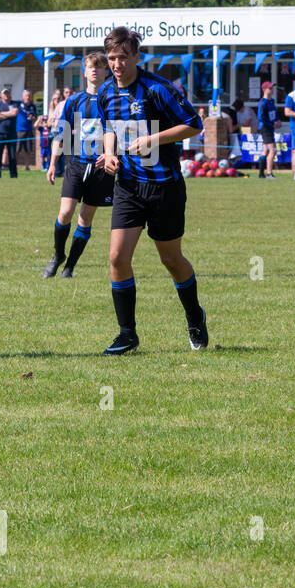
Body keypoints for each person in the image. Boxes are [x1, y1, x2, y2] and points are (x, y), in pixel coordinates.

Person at [98, 26, 206, 355]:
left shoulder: (158, 89)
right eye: (111, 58)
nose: (116, 64)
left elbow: (194, 124)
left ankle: (194, 316)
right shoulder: (105, 94)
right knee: (117, 257)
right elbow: (108, 130)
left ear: (137, 57)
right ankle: (127, 334)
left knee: (171, 259)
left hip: (164, 188)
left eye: (122, 57)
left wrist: (152, 140)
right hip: (128, 187)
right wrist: (110, 153)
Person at [42, 52, 112, 279]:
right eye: (91, 66)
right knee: (65, 213)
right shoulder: (74, 101)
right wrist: (52, 164)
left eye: (99, 67)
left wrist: (112, 156)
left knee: (85, 218)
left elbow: (123, 133)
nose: (95, 70)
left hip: (102, 169)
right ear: (84, 71)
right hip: (76, 164)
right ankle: (57, 255)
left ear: (106, 72)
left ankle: (70, 266)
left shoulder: (113, 100)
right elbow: (60, 135)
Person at [0, 88, 20, 178]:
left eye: (8, 93)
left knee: (12, 156)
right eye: (4, 93)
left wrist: (1, 114)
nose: (6, 95)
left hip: (11, 133)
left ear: (10, 94)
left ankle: (13, 175)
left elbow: (14, 113)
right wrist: (8, 114)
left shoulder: (14, 103)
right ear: (1, 95)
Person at [256, 81, 279, 178]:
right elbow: (261, 117)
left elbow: (274, 112)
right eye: (270, 88)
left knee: (265, 150)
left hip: (270, 127)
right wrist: (272, 124)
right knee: (273, 150)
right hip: (265, 128)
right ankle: (269, 173)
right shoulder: (262, 102)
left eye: (272, 88)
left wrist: (278, 120)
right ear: (264, 90)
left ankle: (261, 173)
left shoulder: (271, 101)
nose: (272, 90)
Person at [16, 89, 37, 166]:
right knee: (17, 149)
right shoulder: (18, 104)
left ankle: (27, 166)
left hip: (29, 130)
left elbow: (35, 117)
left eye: (29, 95)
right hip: (19, 130)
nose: (27, 97)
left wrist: (33, 118)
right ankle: (15, 165)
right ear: (23, 96)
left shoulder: (33, 106)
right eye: (26, 95)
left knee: (28, 149)